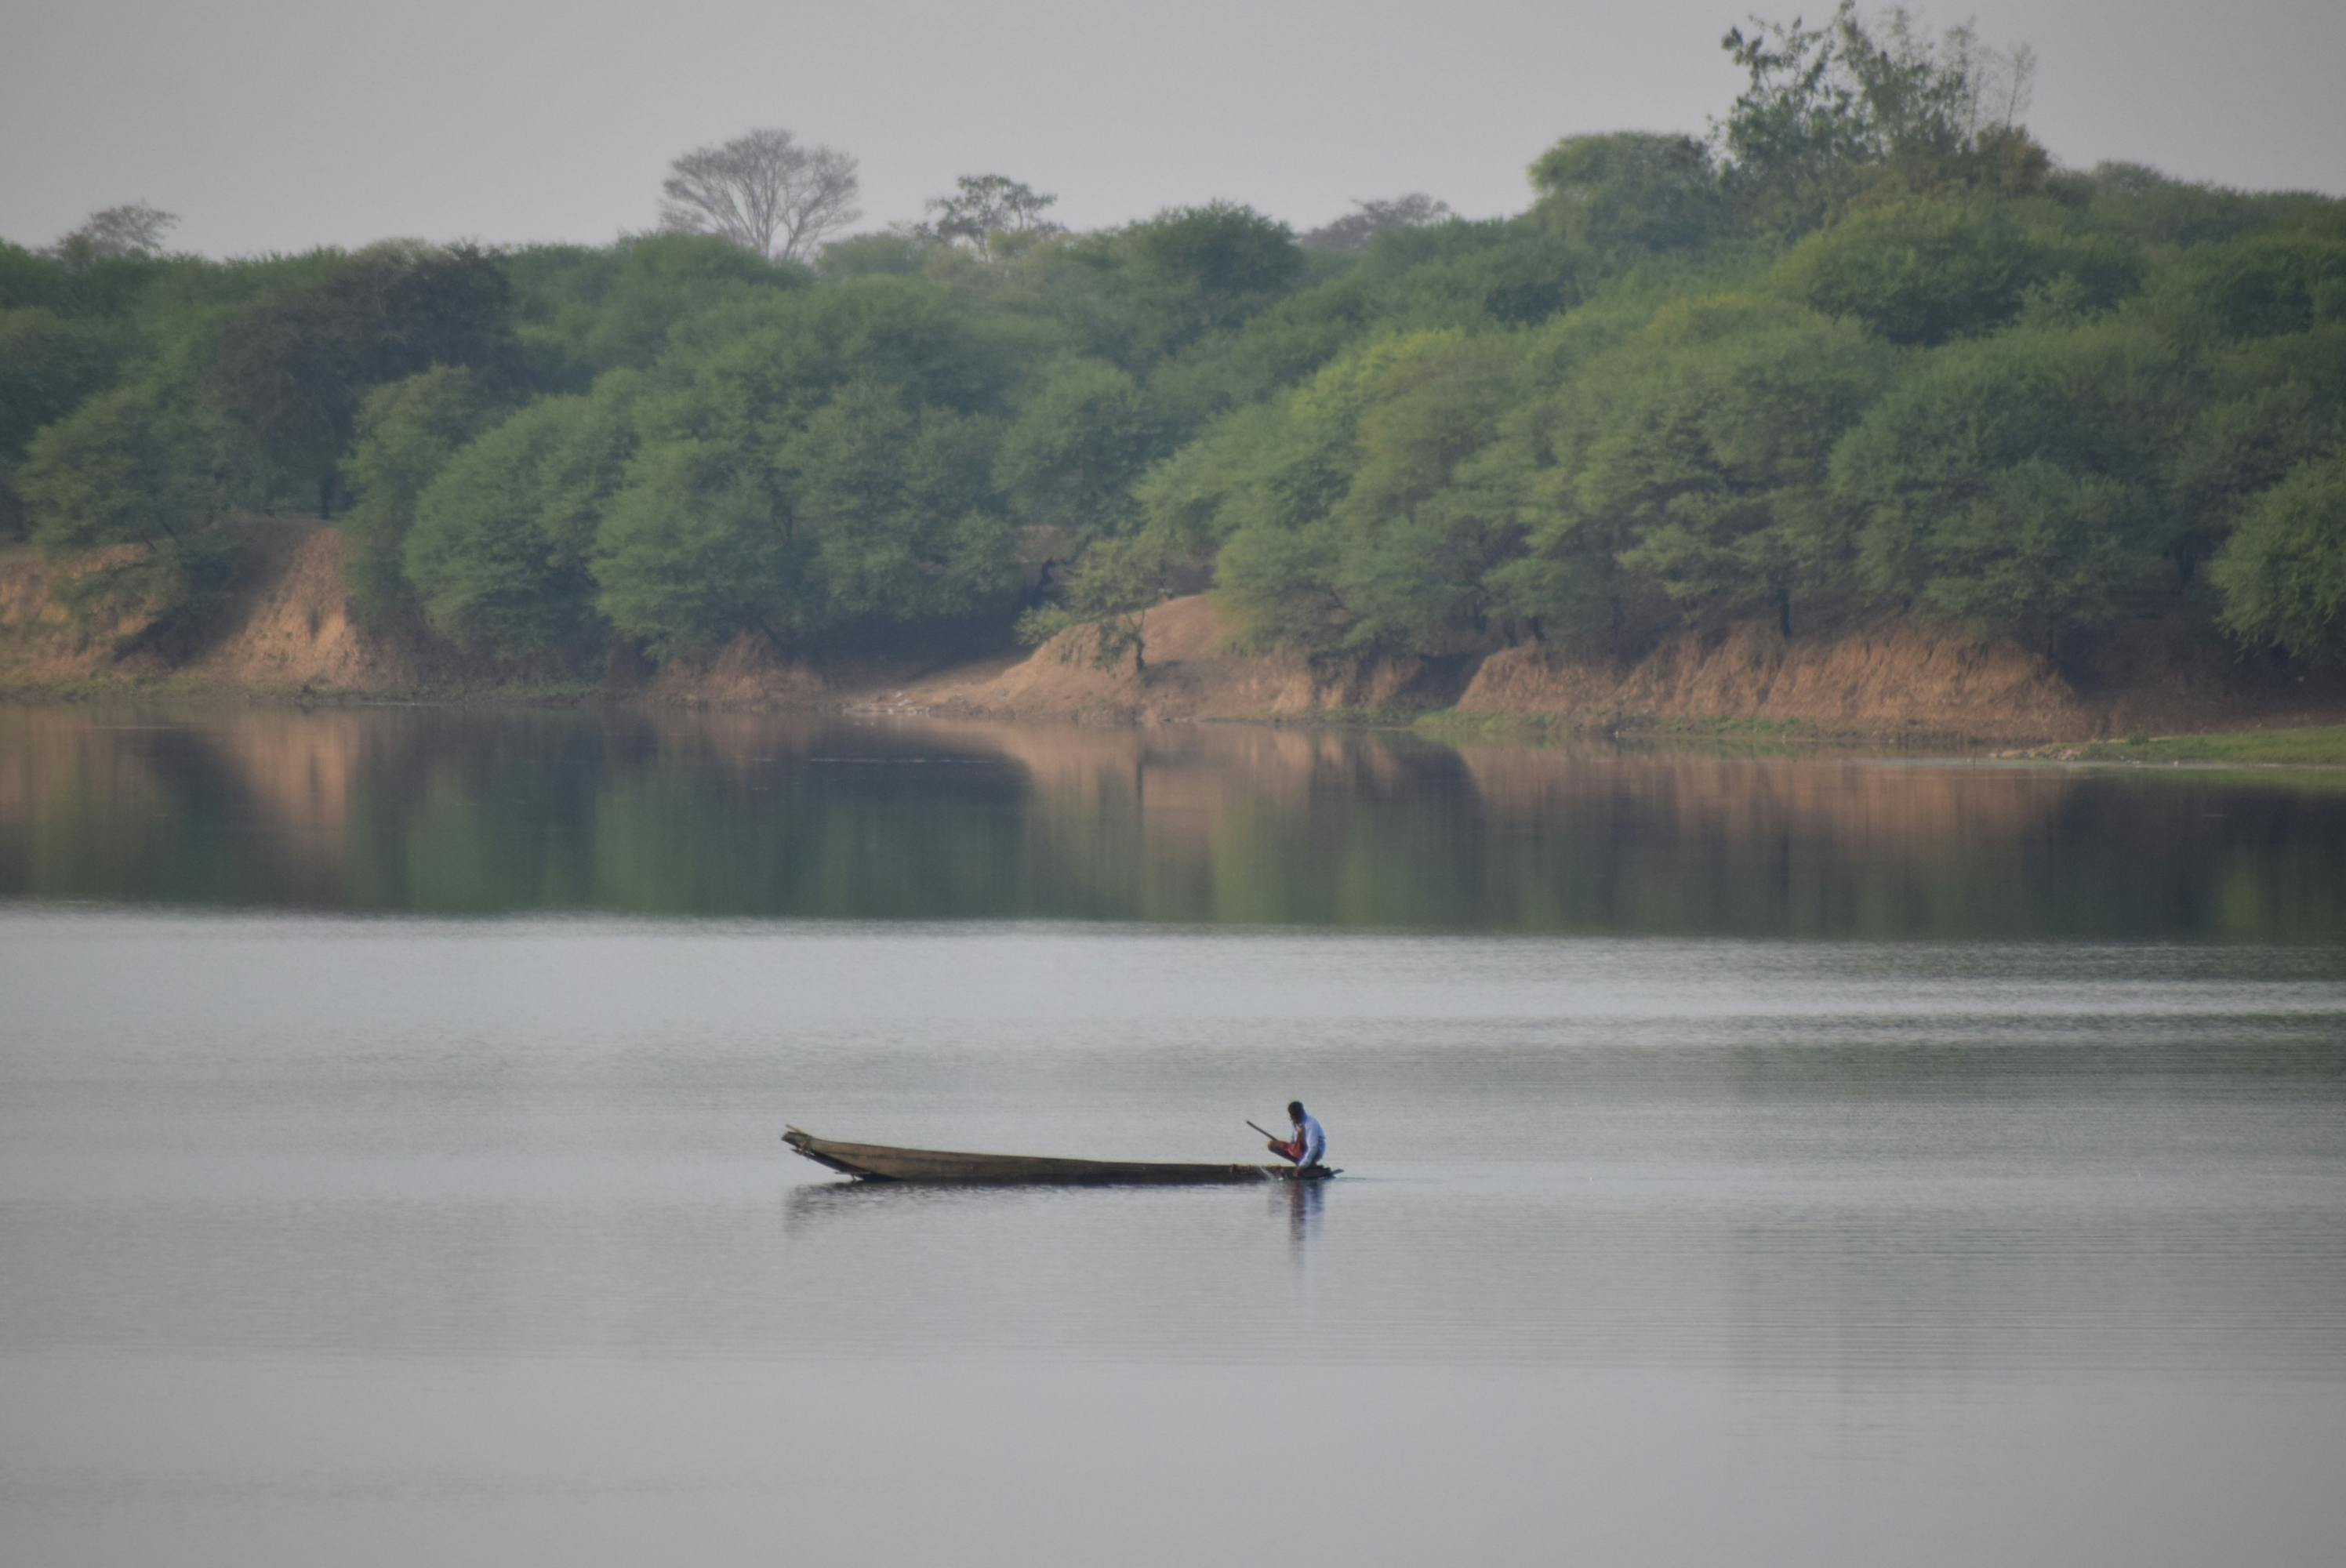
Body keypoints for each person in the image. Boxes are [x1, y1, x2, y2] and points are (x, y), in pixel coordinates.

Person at [1267, 1100, 1327, 1170]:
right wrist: (1288, 1147)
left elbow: (1313, 1147)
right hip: (1300, 1149)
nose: (1293, 1119)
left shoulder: (1311, 1124)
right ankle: (1299, 1162)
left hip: (1315, 1152)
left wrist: (1303, 1165)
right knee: (1272, 1145)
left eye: (1296, 1116)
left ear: (1301, 1113)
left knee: (1301, 1133)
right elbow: (1293, 1140)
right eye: (1292, 1116)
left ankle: (1307, 1163)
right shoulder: (1294, 1121)